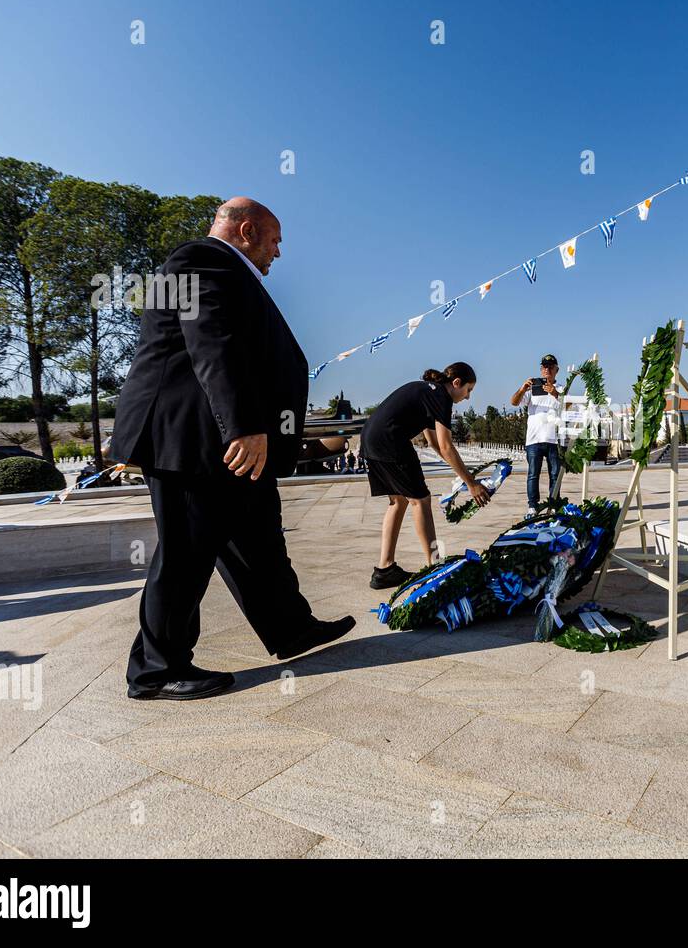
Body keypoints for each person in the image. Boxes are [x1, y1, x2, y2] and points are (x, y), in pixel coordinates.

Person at [111, 197, 355, 701]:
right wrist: (242, 425)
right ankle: (156, 670)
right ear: (247, 230)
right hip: (194, 438)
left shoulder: (228, 271)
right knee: (185, 552)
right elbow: (211, 341)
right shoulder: (201, 259)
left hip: (219, 438)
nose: (279, 253)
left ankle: (291, 628)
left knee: (258, 537)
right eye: (275, 240)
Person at [363, 362, 489, 590]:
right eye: (468, 390)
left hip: (372, 439)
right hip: (390, 441)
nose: (468, 397)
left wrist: (460, 474)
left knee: (398, 501)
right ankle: (435, 565)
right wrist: (470, 483)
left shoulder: (428, 392)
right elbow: (446, 445)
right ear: (456, 383)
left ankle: (384, 569)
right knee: (421, 500)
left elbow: (434, 443)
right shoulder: (441, 397)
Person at [510, 353, 563, 514]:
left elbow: (568, 408)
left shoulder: (561, 388)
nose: (547, 370)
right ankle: (532, 506)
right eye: (545, 367)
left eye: (551, 367)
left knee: (555, 474)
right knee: (533, 474)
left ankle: (554, 505)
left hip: (554, 439)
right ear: (541, 370)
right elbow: (514, 402)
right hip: (534, 439)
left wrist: (555, 394)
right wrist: (522, 388)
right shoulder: (532, 389)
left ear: (556, 370)